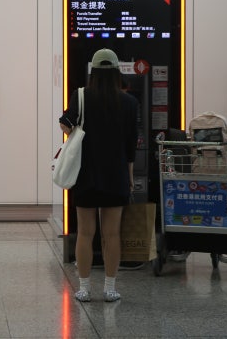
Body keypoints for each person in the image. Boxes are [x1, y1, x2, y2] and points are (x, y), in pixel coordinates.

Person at [59, 48, 138, 303]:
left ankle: (83, 288)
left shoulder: (81, 96)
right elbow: (130, 148)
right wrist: (129, 177)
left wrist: (77, 132)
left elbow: (65, 123)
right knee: (111, 234)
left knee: (84, 233)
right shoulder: (129, 103)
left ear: (93, 72)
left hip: (85, 174)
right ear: (117, 73)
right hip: (115, 176)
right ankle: (110, 288)